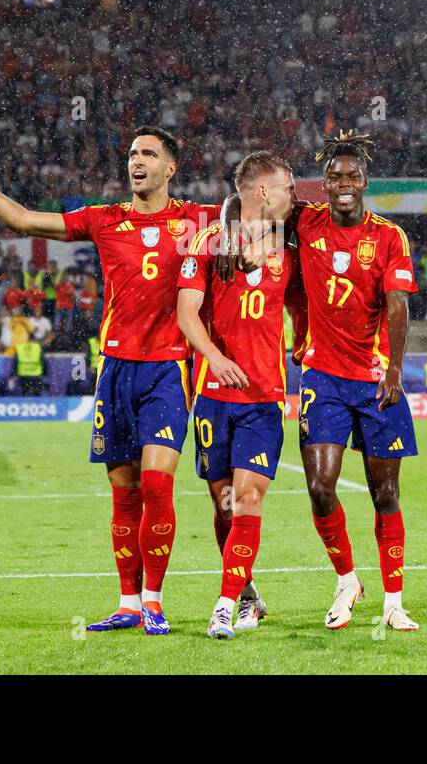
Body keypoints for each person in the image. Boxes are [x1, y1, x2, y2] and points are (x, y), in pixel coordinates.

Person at [0, 128, 220, 636]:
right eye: (131, 154)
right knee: (124, 491)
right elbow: (23, 220)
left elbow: (259, 229)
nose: (136, 161)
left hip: (169, 370)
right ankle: (126, 602)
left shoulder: (197, 222)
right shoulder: (105, 220)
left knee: (158, 484)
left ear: (171, 168)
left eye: (149, 154)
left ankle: (153, 602)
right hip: (116, 370)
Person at [254, 131, 420, 632]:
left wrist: (393, 369)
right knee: (321, 488)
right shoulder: (305, 223)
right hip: (320, 376)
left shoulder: (389, 236)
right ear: (322, 184)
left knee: (384, 492)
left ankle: (393, 601)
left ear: (365, 183)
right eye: (334, 176)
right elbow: (251, 203)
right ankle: (348, 580)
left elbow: (398, 305)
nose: (343, 183)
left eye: (351, 177)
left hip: (374, 380)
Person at [176, 151, 304, 638]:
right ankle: (248, 593)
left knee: (248, 498)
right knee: (224, 505)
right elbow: (188, 313)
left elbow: (302, 303)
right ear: (264, 192)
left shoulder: (289, 247)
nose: (296, 197)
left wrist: (307, 339)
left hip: (264, 399)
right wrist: (214, 356)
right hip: (212, 395)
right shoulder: (209, 242)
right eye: (289, 188)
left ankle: (225, 605)